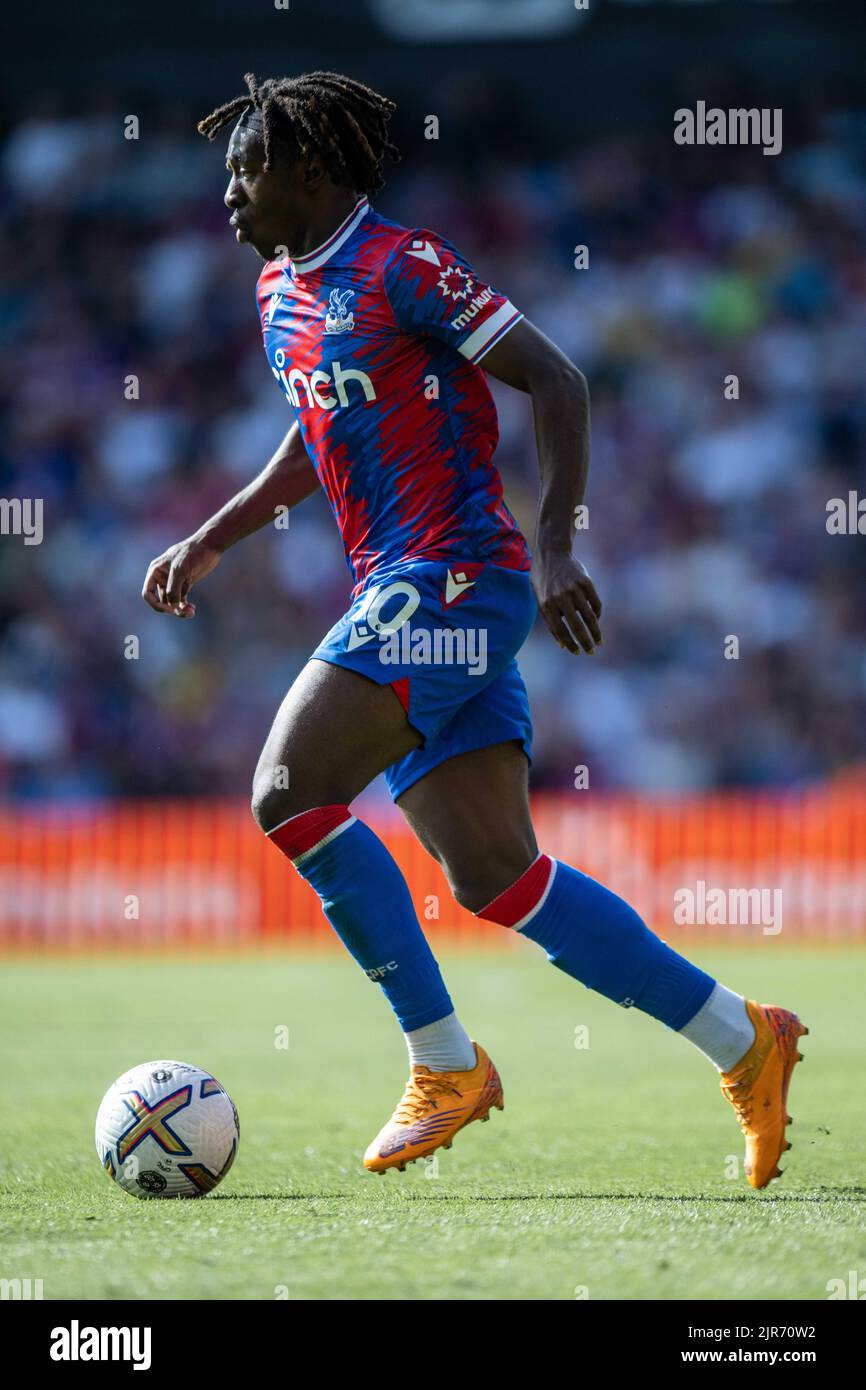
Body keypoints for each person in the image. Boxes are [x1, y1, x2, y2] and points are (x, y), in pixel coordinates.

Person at [142, 71, 806, 1186]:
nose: (227, 193)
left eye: (244, 170)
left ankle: (442, 1061)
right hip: (400, 584)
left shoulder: (402, 263)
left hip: (455, 579)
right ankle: (744, 1040)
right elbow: (320, 431)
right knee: (498, 876)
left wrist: (555, 549)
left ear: (310, 170)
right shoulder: (276, 295)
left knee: (286, 791)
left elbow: (556, 378)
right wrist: (214, 536)